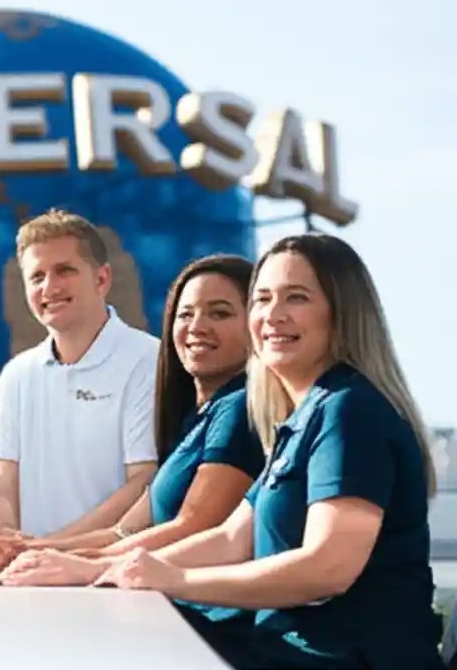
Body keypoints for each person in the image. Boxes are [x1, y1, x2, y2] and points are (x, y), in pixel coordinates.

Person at [89, 234, 443, 669]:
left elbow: (327, 568)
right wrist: (98, 571)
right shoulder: (301, 417)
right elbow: (231, 540)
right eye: (262, 299)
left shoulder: (350, 411)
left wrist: (175, 579)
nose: (273, 315)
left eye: (296, 297)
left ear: (342, 312)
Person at [0, 255, 264, 585]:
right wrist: (29, 549)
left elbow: (193, 528)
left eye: (220, 313)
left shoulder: (238, 409)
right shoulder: (198, 418)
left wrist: (87, 566)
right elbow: (124, 532)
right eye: (185, 314)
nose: (197, 326)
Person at [0, 209, 159, 548]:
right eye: (36, 277)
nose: (50, 287)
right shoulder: (17, 374)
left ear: (102, 279)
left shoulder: (149, 360)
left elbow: (144, 482)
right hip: (33, 569)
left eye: (64, 270)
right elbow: (4, 485)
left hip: (115, 568)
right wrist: (1, 540)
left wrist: (48, 547)